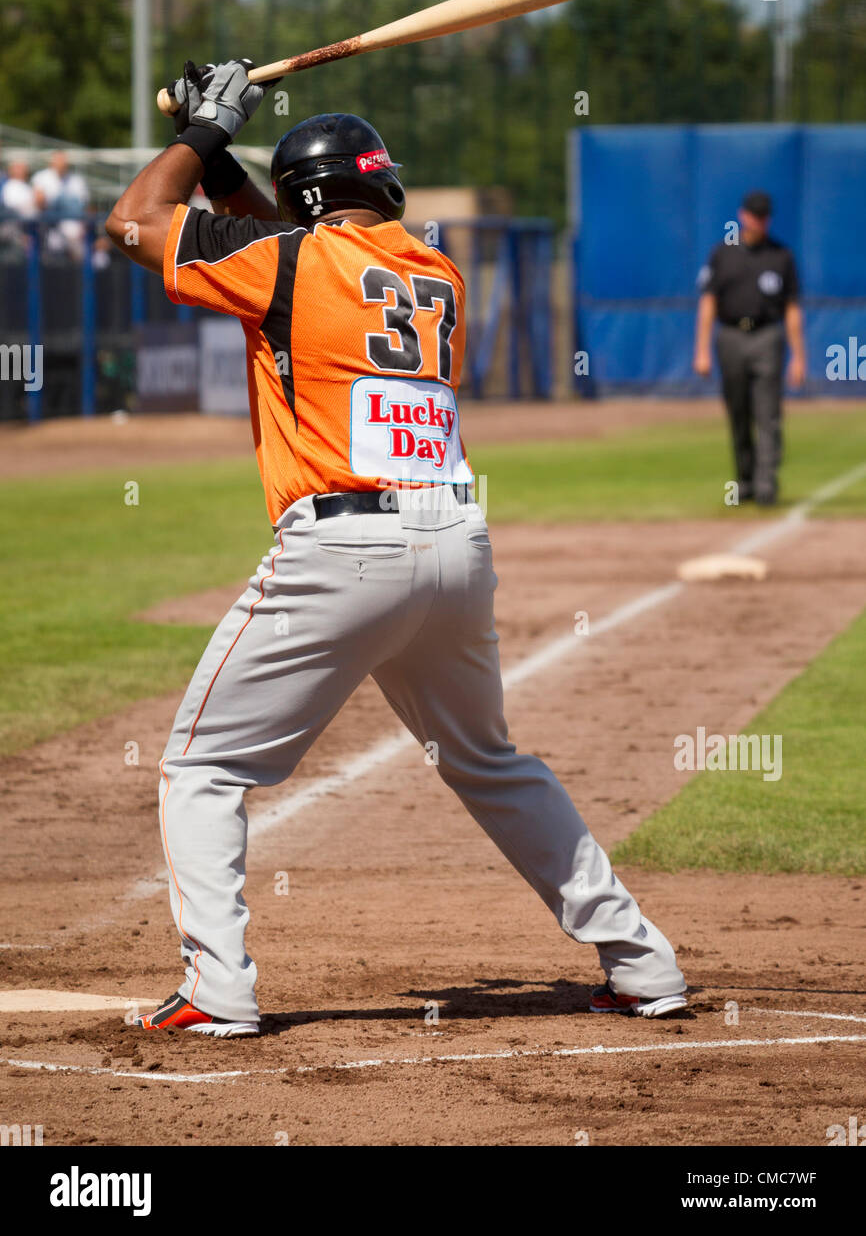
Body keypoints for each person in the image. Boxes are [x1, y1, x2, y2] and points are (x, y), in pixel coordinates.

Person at [106, 59, 687, 1038]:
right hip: (454, 543)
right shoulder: (432, 268)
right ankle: (641, 961)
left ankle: (219, 985)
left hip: (343, 548)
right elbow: (280, 232)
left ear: (302, 202)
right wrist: (225, 153)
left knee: (201, 771)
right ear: (378, 186)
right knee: (488, 759)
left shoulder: (288, 264)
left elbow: (129, 219)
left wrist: (207, 130)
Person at [693, 190, 805, 506]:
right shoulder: (723, 254)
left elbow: (792, 309)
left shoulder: (781, 256)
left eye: (764, 217)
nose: (758, 222)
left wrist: (799, 356)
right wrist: (701, 350)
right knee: (738, 413)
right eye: (754, 215)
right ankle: (745, 480)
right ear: (743, 216)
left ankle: (766, 482)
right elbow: (708, 302)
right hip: (730, 337)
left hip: (767, 336)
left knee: (767, 413)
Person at [32, 150, 89, 257]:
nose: (61, 163)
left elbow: (85, 207)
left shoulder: (76, 180)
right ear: (52, 162)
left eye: (63, 161)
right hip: (50, 229)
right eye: (58, 160)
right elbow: (39, 204)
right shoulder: (41, 177)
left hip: (74, 230)